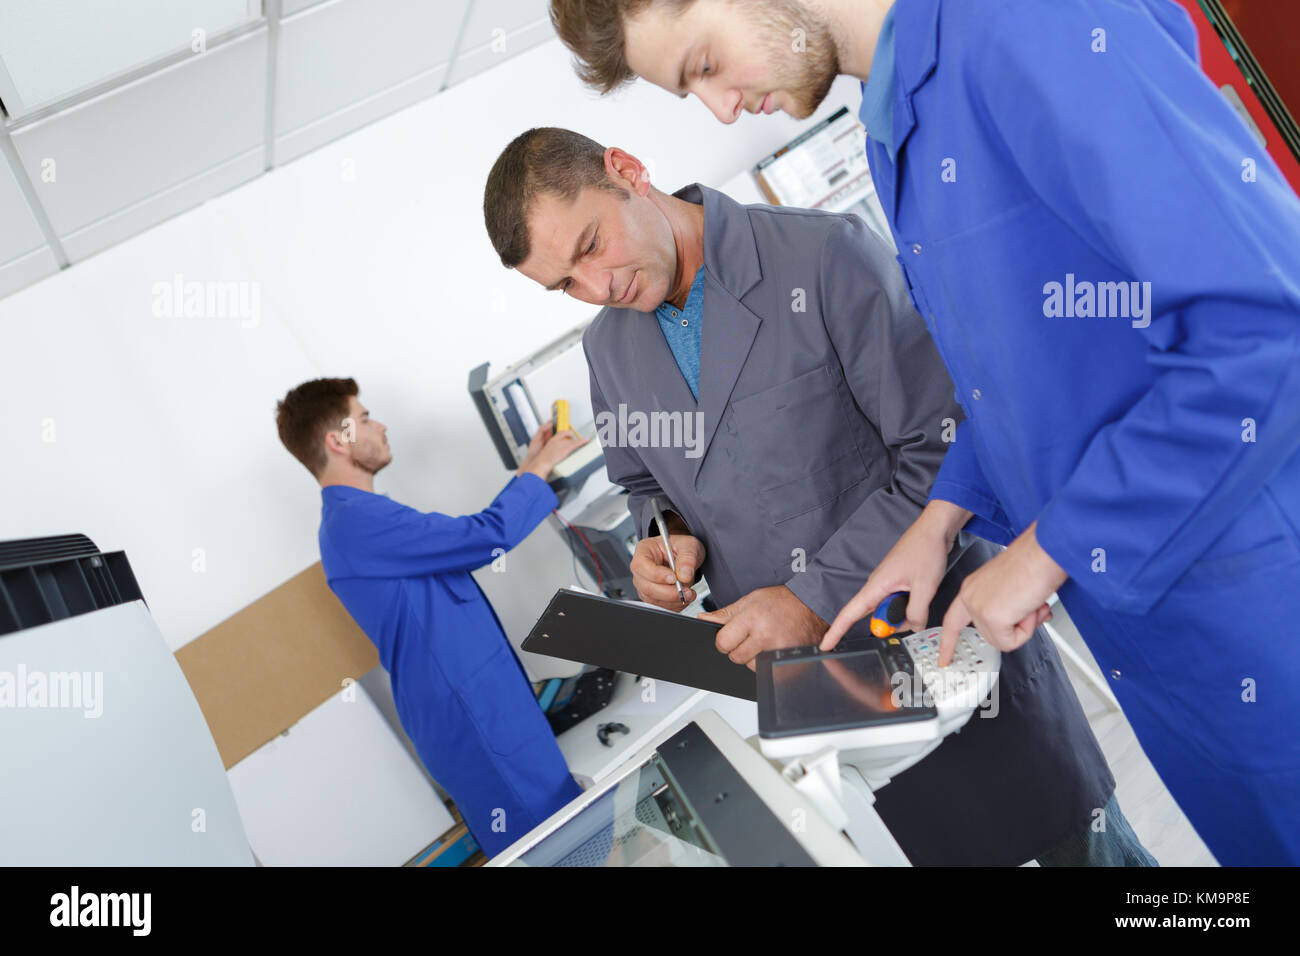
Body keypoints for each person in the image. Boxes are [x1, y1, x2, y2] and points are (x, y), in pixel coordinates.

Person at [547, 0, 1300, 865]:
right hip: (1146, 629)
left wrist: (1048, 545)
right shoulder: (893, 133)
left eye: (706, 64)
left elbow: (1265, 332)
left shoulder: (1030, 26)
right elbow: (1008, 385)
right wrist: (944, 516)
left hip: (1252, 594)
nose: (718, 110)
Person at [481, 127, 1155, 866]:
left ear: (629, 171)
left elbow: (949, 450)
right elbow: (643, 481)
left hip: (941, 649)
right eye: (565, 286)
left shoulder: (822, 255)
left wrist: (808, 598)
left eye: (590, 246)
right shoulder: (609, 349)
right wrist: (664, 537)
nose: (597, 287)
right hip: (817, 700)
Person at [274, 377, 586, 856]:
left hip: (480, 706)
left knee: (558, 831)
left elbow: (459, 545)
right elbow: (484, 538)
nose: (379, 425)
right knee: (552, 845)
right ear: (338, 440)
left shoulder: (358, 516)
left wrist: (529, 467)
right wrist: (540, 467)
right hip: (473, 717)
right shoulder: (357, 522)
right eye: (364, 418)